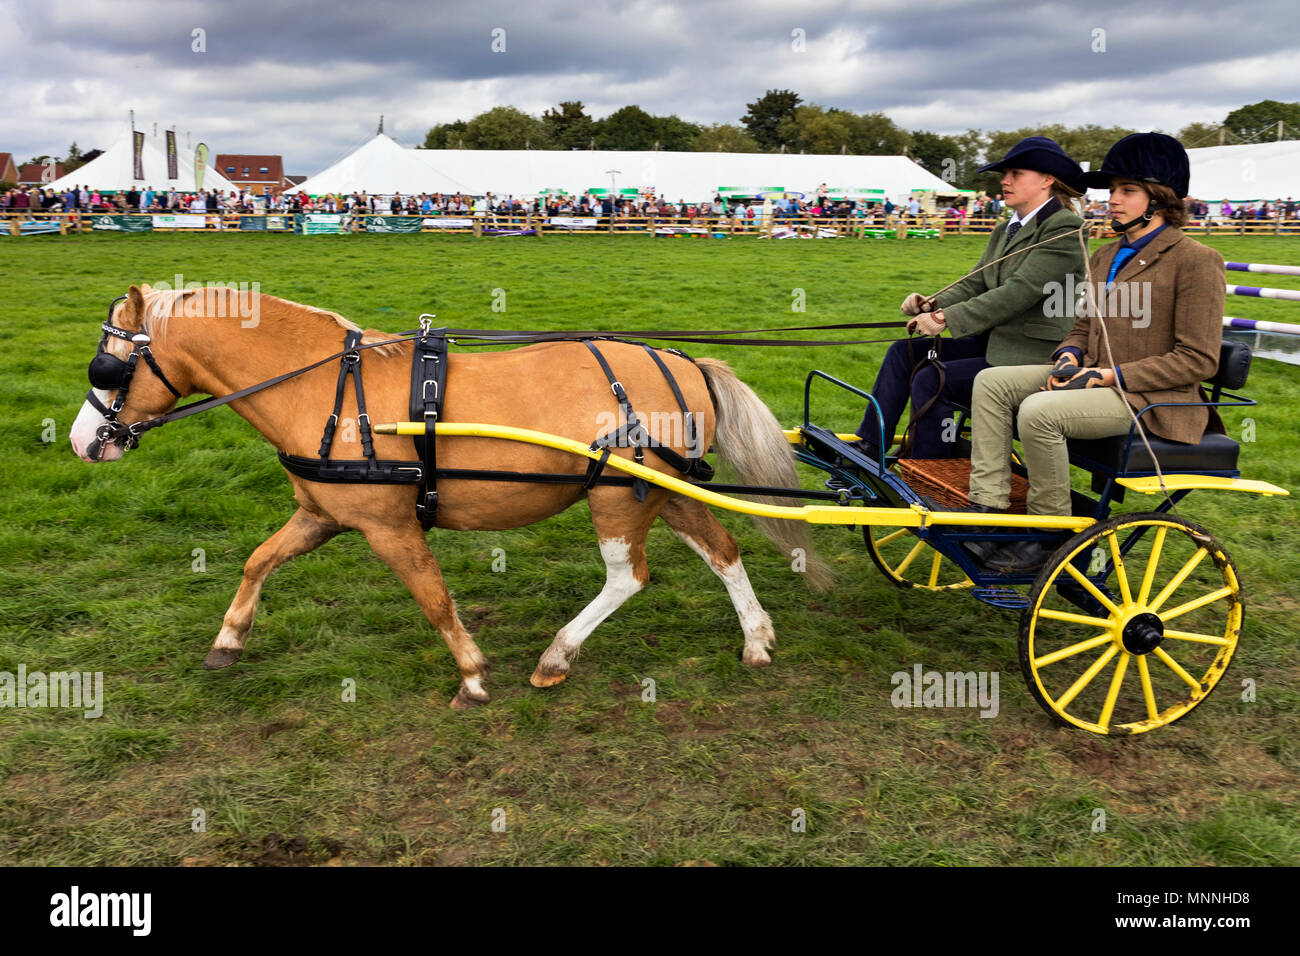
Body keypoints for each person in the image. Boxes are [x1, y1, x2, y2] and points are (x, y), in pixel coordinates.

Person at [966, 132, 1225, 572]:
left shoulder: (1196, 260)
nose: (1113, 200)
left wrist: (1107, 376)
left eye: (1127, 191)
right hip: (1096, 380)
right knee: (990, 382)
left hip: (1152, 400)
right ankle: (987, 509)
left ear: (1160, 199)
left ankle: (1048, 533)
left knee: (1039, 411)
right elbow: (1083, 326)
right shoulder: (1105, 254)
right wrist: (1068, 356)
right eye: (1112, 191)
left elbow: (1198, 359)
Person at [852, 137, 1087, 461]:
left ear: (1047, 180)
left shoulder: (1065, 229)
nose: (1004, 181)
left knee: (933, 378)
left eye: (1016, 173)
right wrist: (933, 303)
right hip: (992, 343)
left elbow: (1019, 291)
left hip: (1029, 355)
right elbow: (976, 281)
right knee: (902, 353)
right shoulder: (1007, 228)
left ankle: (927, 470)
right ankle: (869, 447)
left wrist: (945, 319)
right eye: (1005, 174)